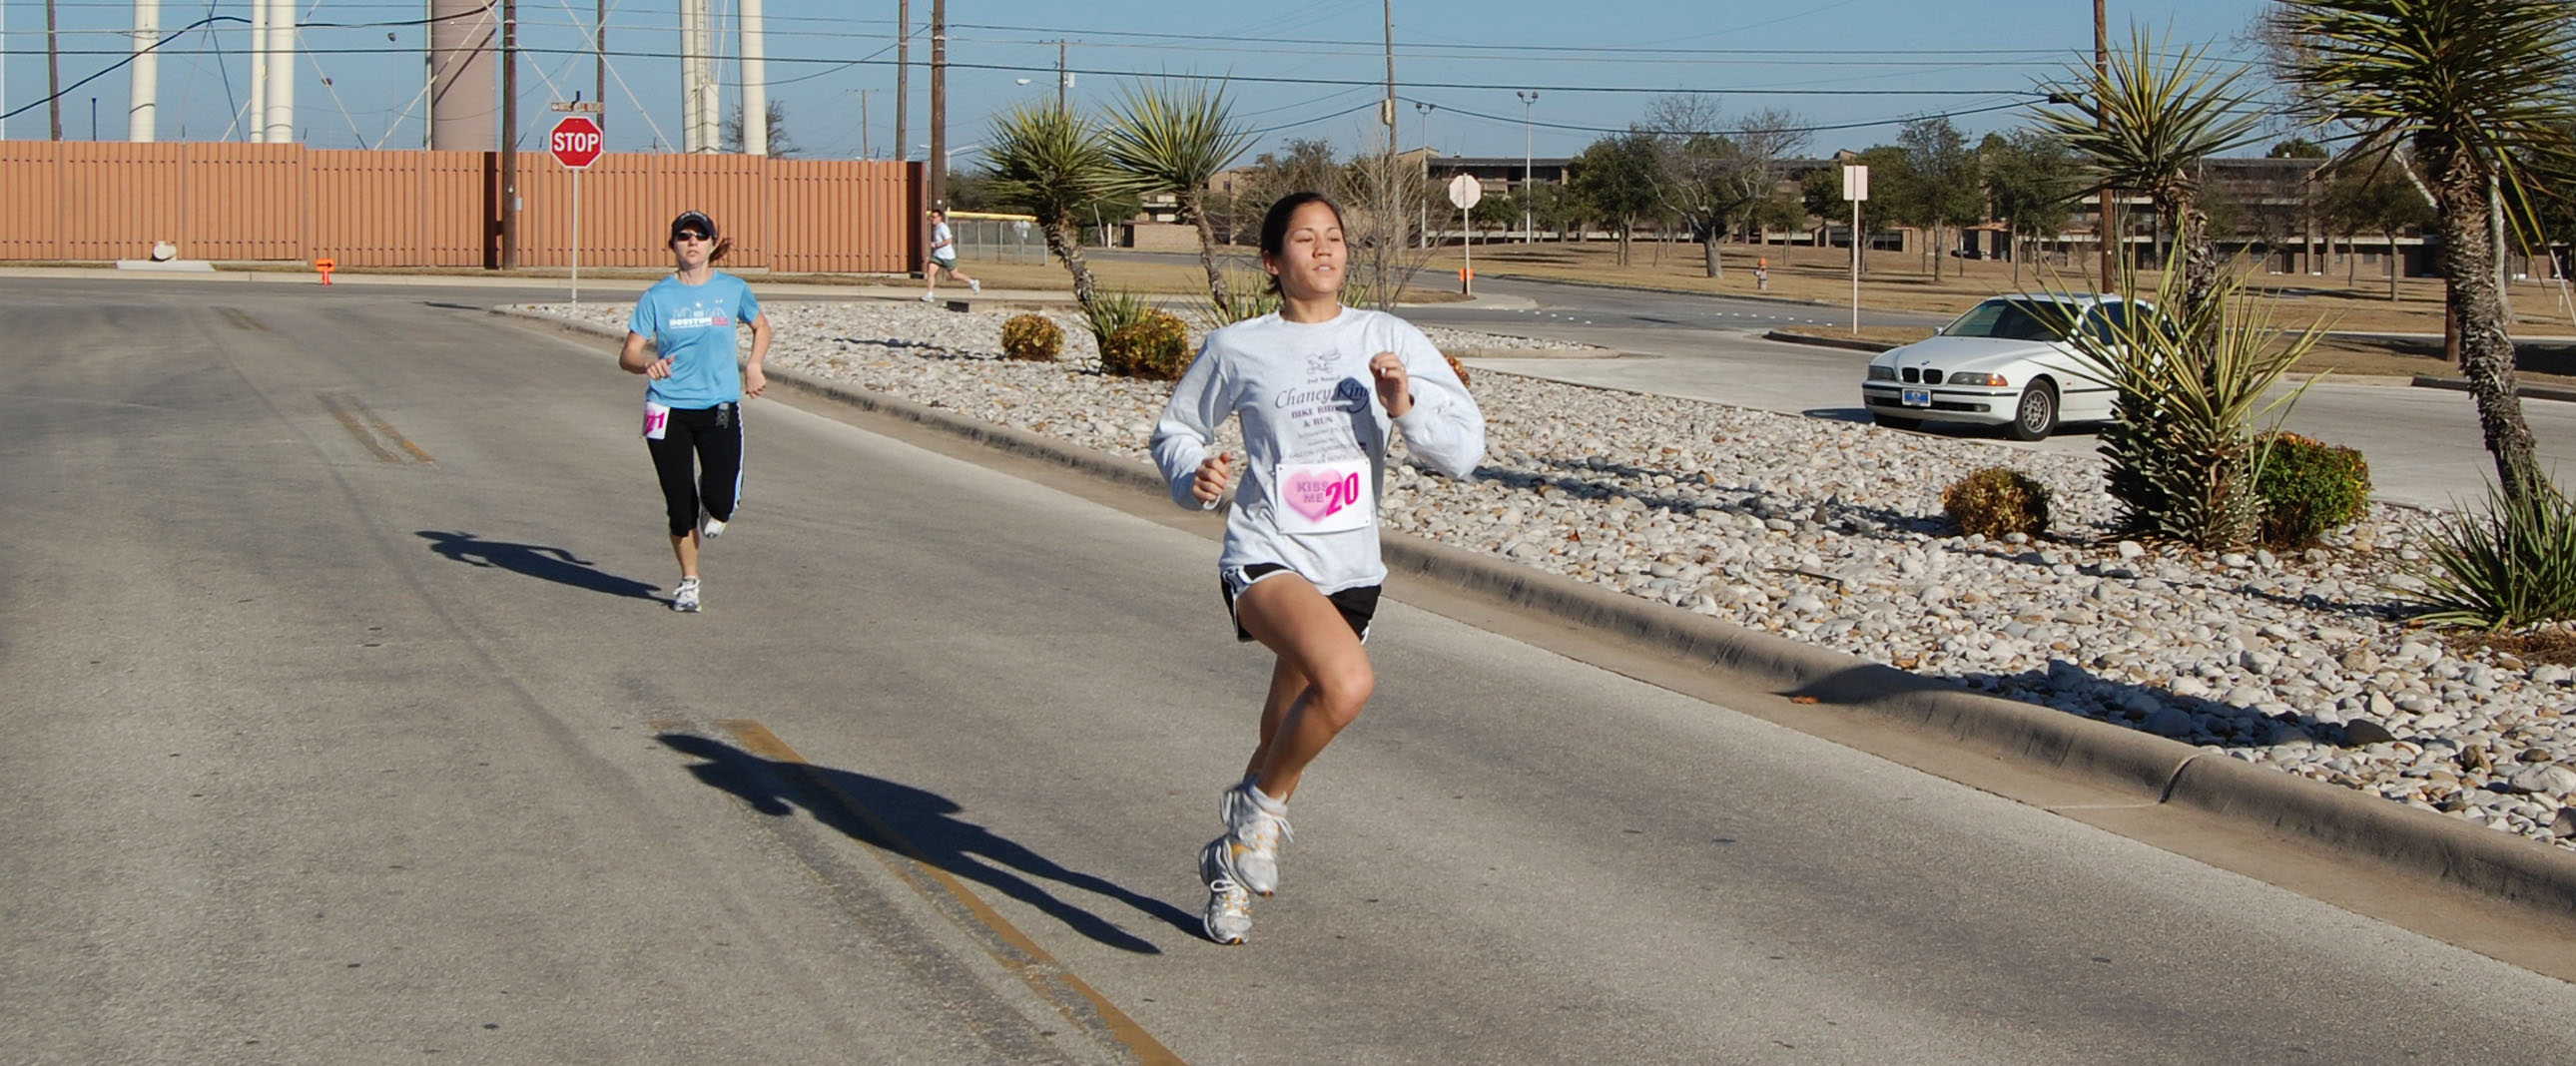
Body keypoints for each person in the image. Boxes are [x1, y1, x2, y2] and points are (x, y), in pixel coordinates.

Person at [1150, 192, 1486, 944]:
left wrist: (1403, 407)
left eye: (1334, 236)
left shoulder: (1385, 335)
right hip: (1267, 554)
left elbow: (1461, 451)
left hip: (1350, 565)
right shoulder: (1240, 346)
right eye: (1304, 239)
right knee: (1348, 684)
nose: (1324, 249)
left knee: (1284, 729)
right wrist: (1193, 473)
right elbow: (1176, 428)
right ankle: (1254, 819)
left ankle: (1230, 867)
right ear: (1273, 262)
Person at [618, 210, 774, 613]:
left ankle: (715, 501)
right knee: (678, 503)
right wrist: (646, 363)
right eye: (683, 235)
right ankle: (689, 581)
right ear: (672, 244)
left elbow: (762, 327)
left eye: (700, 236)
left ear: (712, 244)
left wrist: (753, 365)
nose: (692, 242)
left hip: (718, 405)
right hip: (665, 407)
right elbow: (628, 354)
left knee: (719, 503)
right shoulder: (657, 296)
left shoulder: (733, 289)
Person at [922, 208, 981, 301]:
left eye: (934, 217)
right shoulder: (935, 227)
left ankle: (973, 282)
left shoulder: (943, 227)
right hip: (937, 255)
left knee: (955, 275)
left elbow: (948, 240)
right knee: (930, 272)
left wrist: (936, 244)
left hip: (948, 256)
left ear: (940, 218)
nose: (932, 219)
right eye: (931, 217)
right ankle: (929, 294)